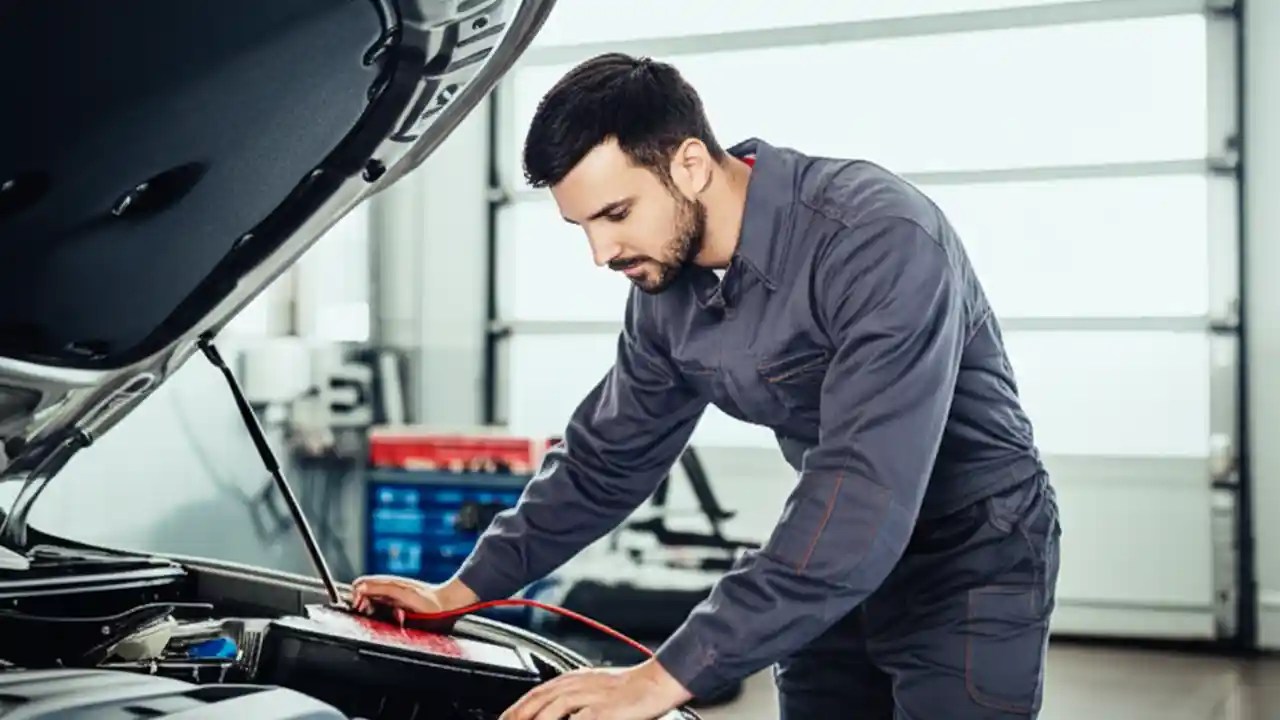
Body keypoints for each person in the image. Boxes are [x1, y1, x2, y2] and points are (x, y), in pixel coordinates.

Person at [351, 52, 1062, 720]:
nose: (601, 254)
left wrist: (657, 679)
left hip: (970, 548)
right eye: (582, 227)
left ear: (689, 163)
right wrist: (462, 592)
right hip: (830, 548)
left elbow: (864, 491)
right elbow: (606, 458)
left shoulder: (878, 240)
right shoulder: (666, 285)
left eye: (616, 214)